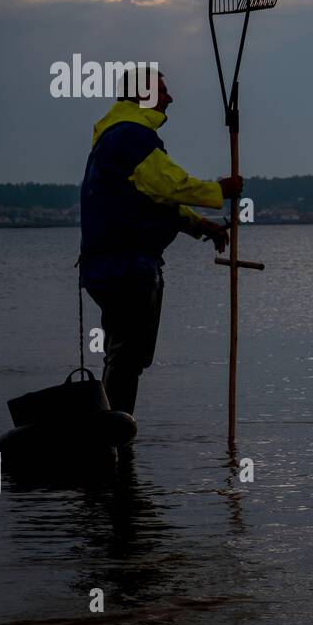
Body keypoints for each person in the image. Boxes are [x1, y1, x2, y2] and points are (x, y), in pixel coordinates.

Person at [79, 69, 242, 414]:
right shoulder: (131, 135)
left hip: (106, 265)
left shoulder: (115, 134)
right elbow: (169, 185)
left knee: (122, 351)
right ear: (143, 95)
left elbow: (154, 198)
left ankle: (113, 439)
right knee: (128, 354)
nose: (171, 98)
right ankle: (114, 434)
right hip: (126, 266)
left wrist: (202, 226)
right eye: (164, 92)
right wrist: (218, 191)